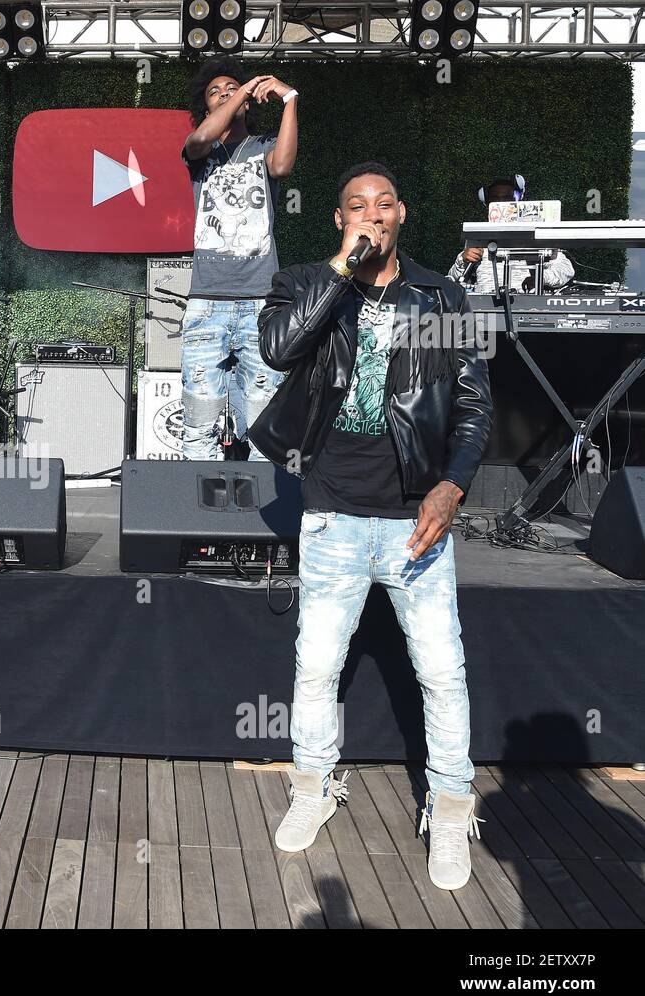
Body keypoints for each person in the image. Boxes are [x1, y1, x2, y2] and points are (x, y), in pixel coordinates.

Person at [248, 162, 494, 891]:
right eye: (357, 205)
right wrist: (339, 268)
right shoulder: (303, 283)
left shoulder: (443, 295)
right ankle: (313, 788)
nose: (372, 213)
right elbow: (278, 349)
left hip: (415, 520)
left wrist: (452, 487)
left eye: (384, 204)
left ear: (403, 215)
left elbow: (476, 408)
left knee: (442, 673)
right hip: (330, 516)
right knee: (317, 667)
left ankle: (450, 807)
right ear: (339, 220)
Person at [179, 57, 298, 460]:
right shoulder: (199, 151)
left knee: (264, 422)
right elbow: (198, 140)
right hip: (207, 301)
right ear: (207, 108)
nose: (226, 93)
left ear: (248, 104)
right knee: (199, 421)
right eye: (216, 92)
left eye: (232, 88)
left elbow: (283, 164)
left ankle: (262, 520)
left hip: (259, 301)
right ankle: (197, 520)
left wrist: (290, 98)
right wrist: (244, 89)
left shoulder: (263, 148)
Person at [449, 174, 574, 294]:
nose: (502, 204)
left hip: (529, 305)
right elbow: (451, 279)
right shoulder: (478, 236)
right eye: (496, 200)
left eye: (507, 199)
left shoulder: (535, 235)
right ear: (487, 203)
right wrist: (462, 260)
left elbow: (566, 269)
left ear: (518, 201)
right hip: (484, 306)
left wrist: (541, 278)